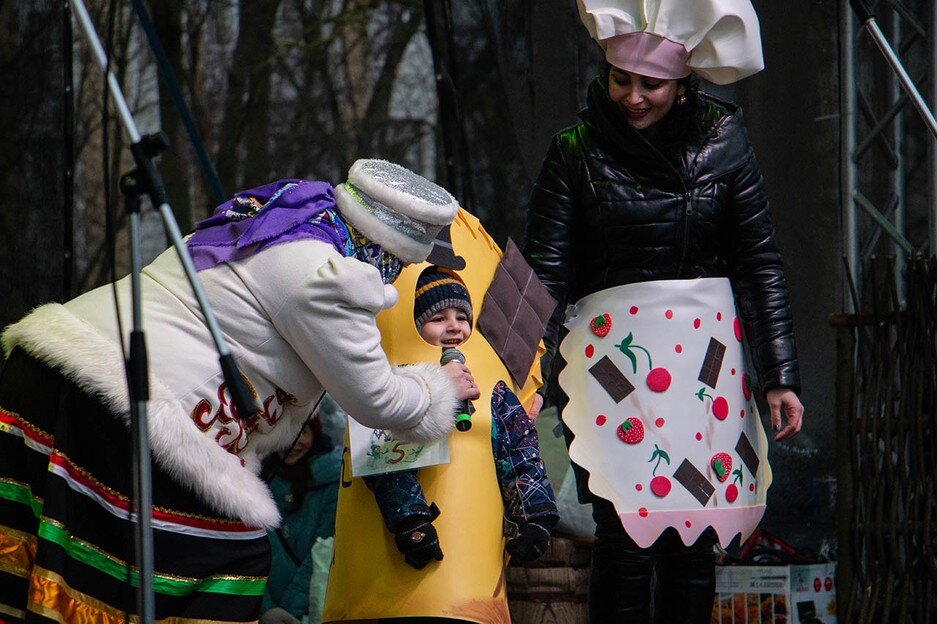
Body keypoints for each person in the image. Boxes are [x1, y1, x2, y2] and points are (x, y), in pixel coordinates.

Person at [0, 159, 479, 624]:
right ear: (394, 250)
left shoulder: (283, 215)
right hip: (127, 399)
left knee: (43, 554)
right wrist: (438, 387)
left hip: (55, 362)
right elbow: (377, 400)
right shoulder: (334, 277)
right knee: (222, 567)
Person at [523, 2, 805, 623]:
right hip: (610, 369)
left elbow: (760, 262)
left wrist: (780, 373)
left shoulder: (724, 140)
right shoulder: (574, 152)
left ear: (682, 84)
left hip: (705, 368)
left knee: (697, 536)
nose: (633, 96)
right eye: (621, 80)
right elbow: (545, 274)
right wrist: (525, 372)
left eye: (650, 84)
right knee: (623, 532)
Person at [364, 267, 559, 574]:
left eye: (462, 317)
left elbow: (521, 450)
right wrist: (411, 521)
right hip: (421, 540)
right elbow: (389, 460)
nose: (454, 327)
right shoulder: (398, 386)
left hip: (479, 538)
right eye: (438, 318)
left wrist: (536, 514)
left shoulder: (493, 389)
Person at [259, 413, 341, 624]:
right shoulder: (261, 478)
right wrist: (264, 609)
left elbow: (322, 551)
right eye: (283, 434)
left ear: (315, 433)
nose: (291, 442)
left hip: (307, 608)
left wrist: (288, 611)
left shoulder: (333, 480)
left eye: (301, 432)